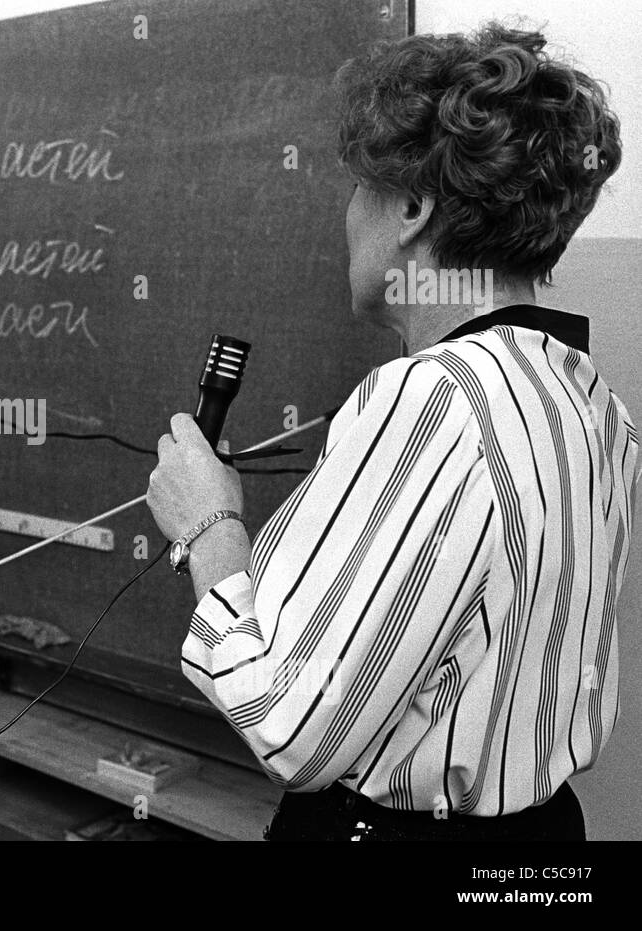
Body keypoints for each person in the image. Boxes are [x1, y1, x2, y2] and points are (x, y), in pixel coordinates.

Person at [147, 24, 638, 841]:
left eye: (357, 189)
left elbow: (290, 726)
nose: (347, 216)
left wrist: (210, 525)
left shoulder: (435, 398)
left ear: (411, 208)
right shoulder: (588, 399)